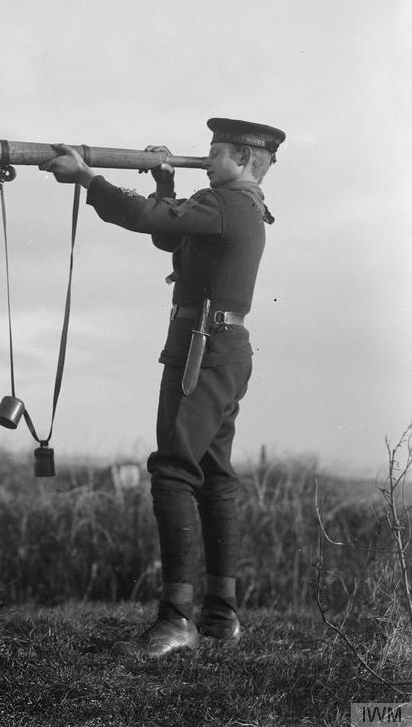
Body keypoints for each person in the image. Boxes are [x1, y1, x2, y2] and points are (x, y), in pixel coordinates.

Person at [39, 118, 286, 659]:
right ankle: (221, 616)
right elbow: (169, 232)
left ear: (244, 161)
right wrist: (166, 182)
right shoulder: (234, 205)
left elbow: (143, 218)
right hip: (222, 347)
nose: (208, 159)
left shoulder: (225, 202)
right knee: (214, 477)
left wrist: (87, 179)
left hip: (202, 348)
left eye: (215, 153)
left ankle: (176, 621)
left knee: (173, 472)